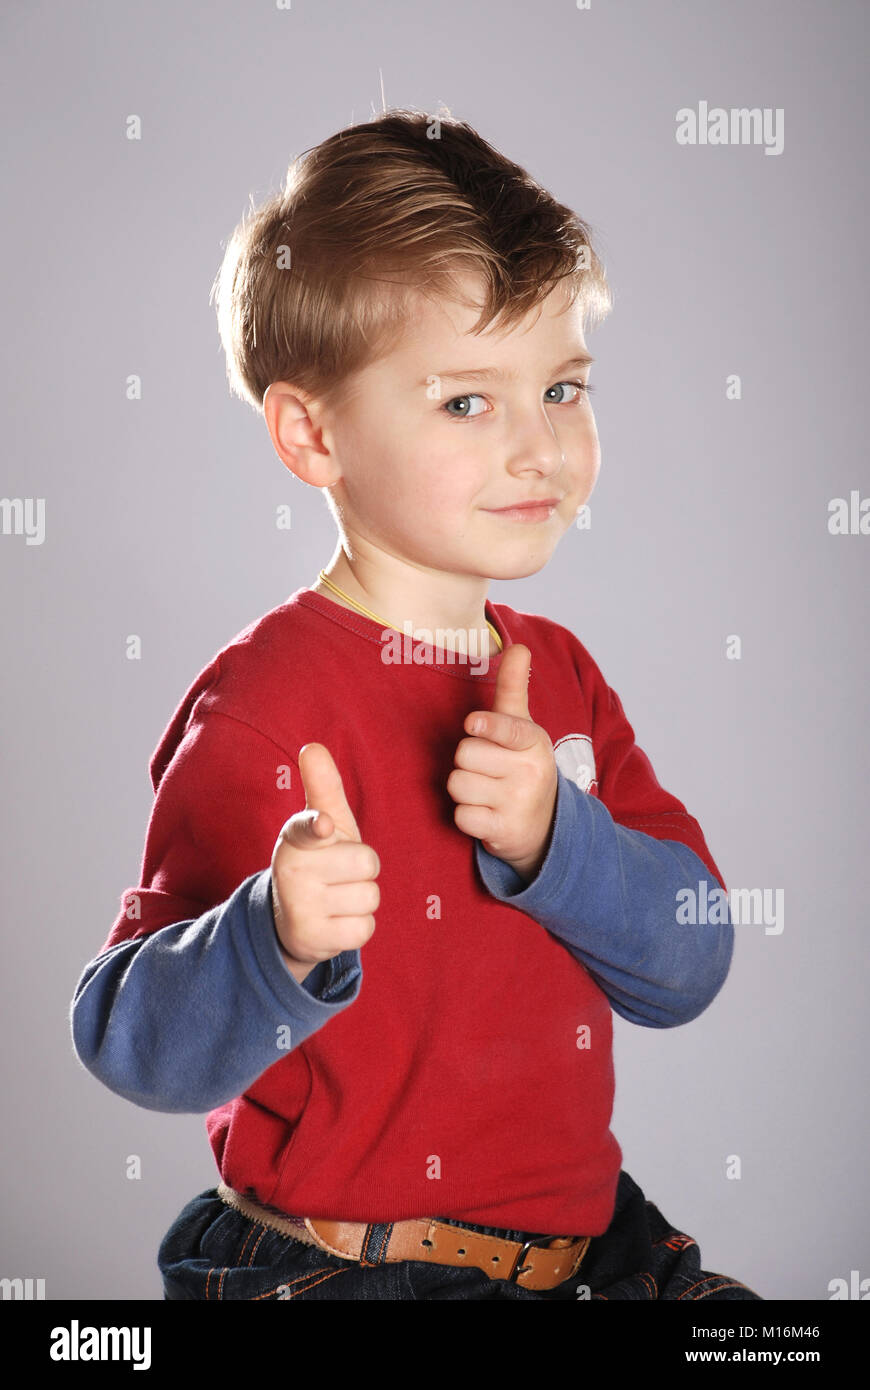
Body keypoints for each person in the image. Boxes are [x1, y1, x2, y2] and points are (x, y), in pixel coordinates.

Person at [70, 107, 762, 1301]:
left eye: (560, 387)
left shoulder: (561, 678)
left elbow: (691, 957)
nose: (539, 448)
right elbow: (129, 1037)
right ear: (310, 433)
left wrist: (560, 842)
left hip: (593, 1254)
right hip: (351, 1271)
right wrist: (270, 936)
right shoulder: (263, 701)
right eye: (465, 403)